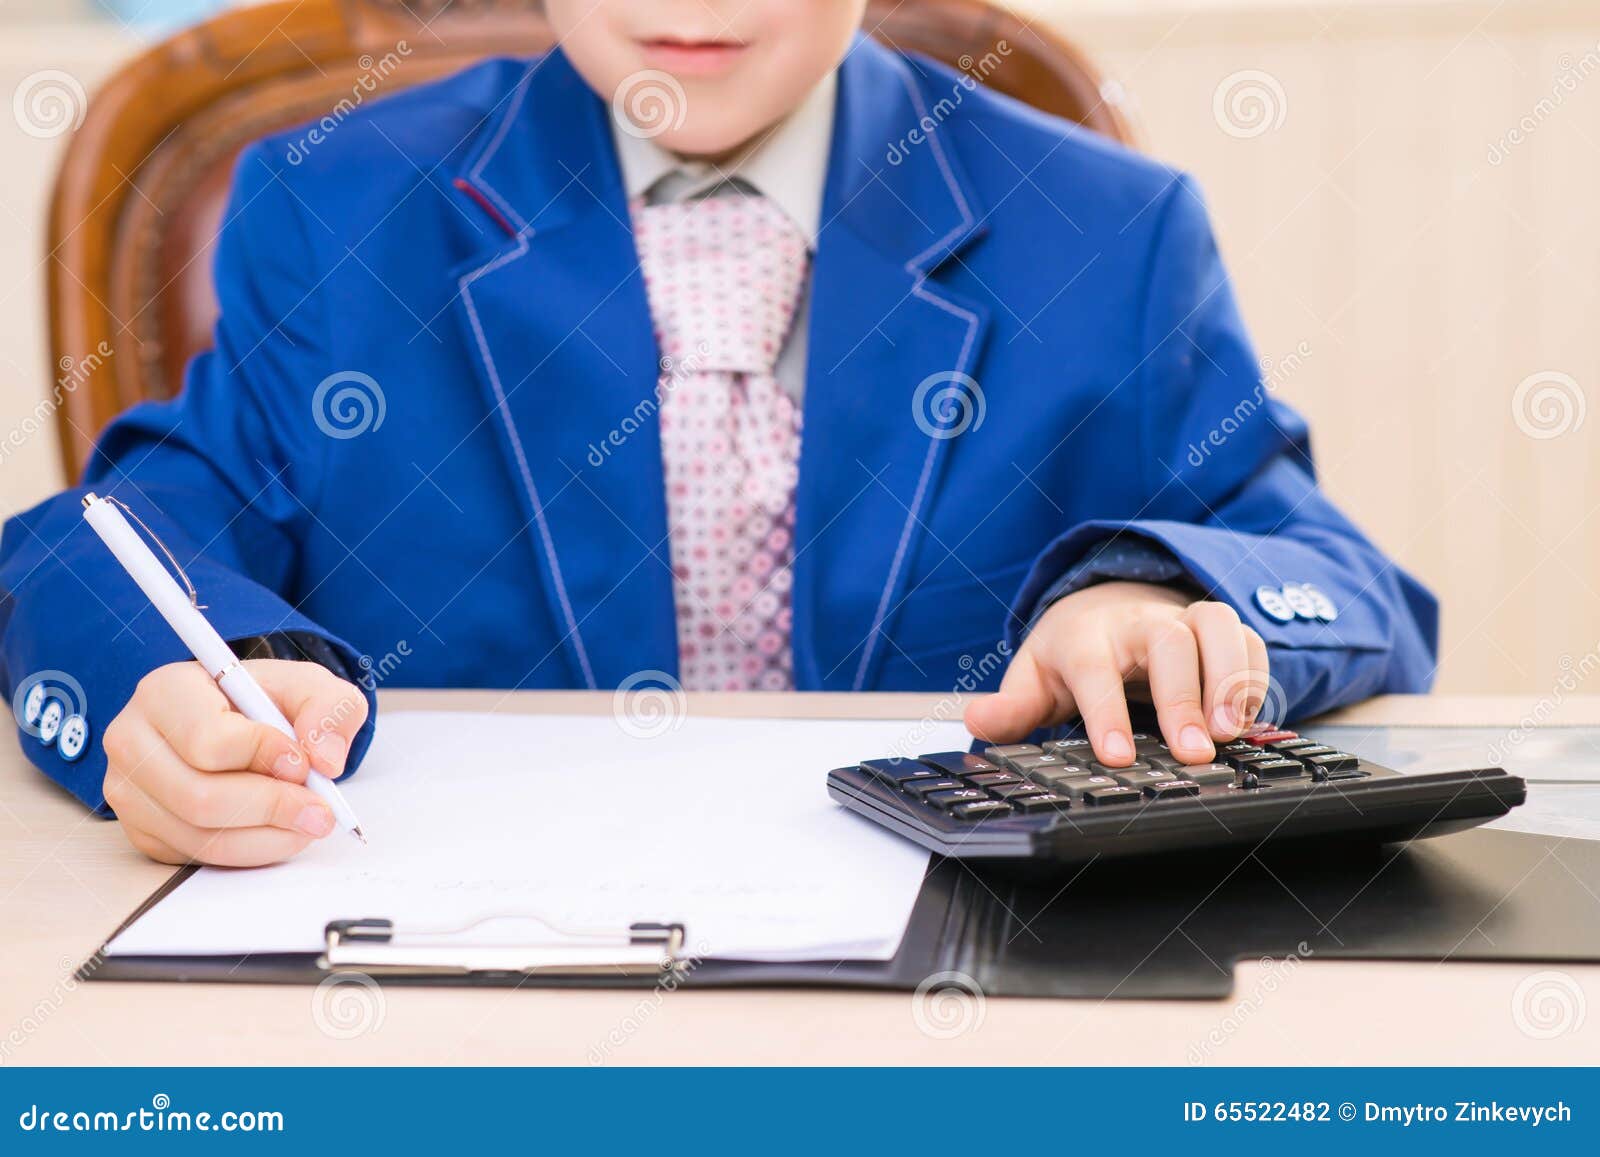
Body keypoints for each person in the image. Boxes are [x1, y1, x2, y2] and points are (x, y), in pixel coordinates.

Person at [0, 0, 1436, 866]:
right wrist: (174, 686)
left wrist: (1165, 595)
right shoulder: (334, 207)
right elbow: (101, 550)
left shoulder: (1110, 230)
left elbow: (1339, 578)